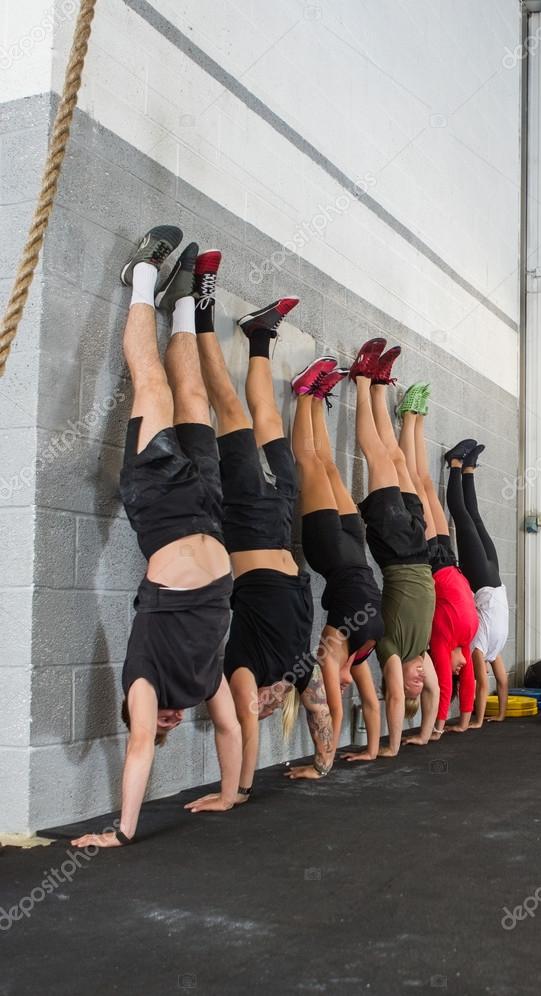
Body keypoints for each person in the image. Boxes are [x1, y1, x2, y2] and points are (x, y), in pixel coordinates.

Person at [72, 227, 241, 849]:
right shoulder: (202, 682)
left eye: (160, 722)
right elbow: (230, 726)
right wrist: (230, 793)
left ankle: (141, 277)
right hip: (209, 514)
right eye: (173, 725)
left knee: (151, 385)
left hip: (163, 509)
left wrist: (121, 831)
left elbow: (140, 748)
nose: (167, 720)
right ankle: (185, 306)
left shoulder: (142, 679)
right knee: (193, 396)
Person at [192, 265, 338, 792]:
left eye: (256, 702)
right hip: (279, 525)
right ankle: (260, 337)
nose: (258, 702)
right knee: (270, 421)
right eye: (269, 704)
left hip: (249, 528)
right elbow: (324, 716)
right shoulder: (299, 668)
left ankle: (197, 308)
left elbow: (246, 729)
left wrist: (237, 794)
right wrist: (321, 763)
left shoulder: (243, 668)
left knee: (229, 410)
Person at [346, 338, 439, 756]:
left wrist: (393, 746)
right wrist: (426, 732)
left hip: (396, 552)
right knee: (399, 463)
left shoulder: (392, 650)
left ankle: (362, 382)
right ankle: (381, 387)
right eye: (423, 684)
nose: (420, 681)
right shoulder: (422, 651)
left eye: (412, 684)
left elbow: (398, 699)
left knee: (378, 457)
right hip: (418, 547)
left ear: (394, 679)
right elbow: (436, 692)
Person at [291, 358, 385, 763]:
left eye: (338, 685)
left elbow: (330, 708)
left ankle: (302, 396)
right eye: (346, 685)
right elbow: (373, 704)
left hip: (328, 549)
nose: (342, 686)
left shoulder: (332, 648)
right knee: (329, 466)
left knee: (309, 464)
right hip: (356, 545)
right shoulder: (362, 655)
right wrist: (373, 751)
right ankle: (318, 396)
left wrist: (324, 763)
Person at [396, 391, 478, 737]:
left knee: (414, 484)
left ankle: (408, 420)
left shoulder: (442, 643)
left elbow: (444, 685)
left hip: (432, 562)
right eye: (464, 670)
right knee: (427, 483)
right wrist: (468, 720)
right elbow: (471, 684)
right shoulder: (469, 640)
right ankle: (418, 420)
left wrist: (441, 727)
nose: (463, 669)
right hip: (451, 560)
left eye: (459, 671)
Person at [444, 438, 510, 725]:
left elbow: (483, 685)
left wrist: (479, 720)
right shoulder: (494, 653)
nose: (478, 670)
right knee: (477, 520)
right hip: (495, 579)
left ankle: (454, 464)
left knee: (463, 518)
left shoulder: (477, 647)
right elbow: (502, 684)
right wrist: (503, 714)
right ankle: (469, 470)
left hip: (481, 581)